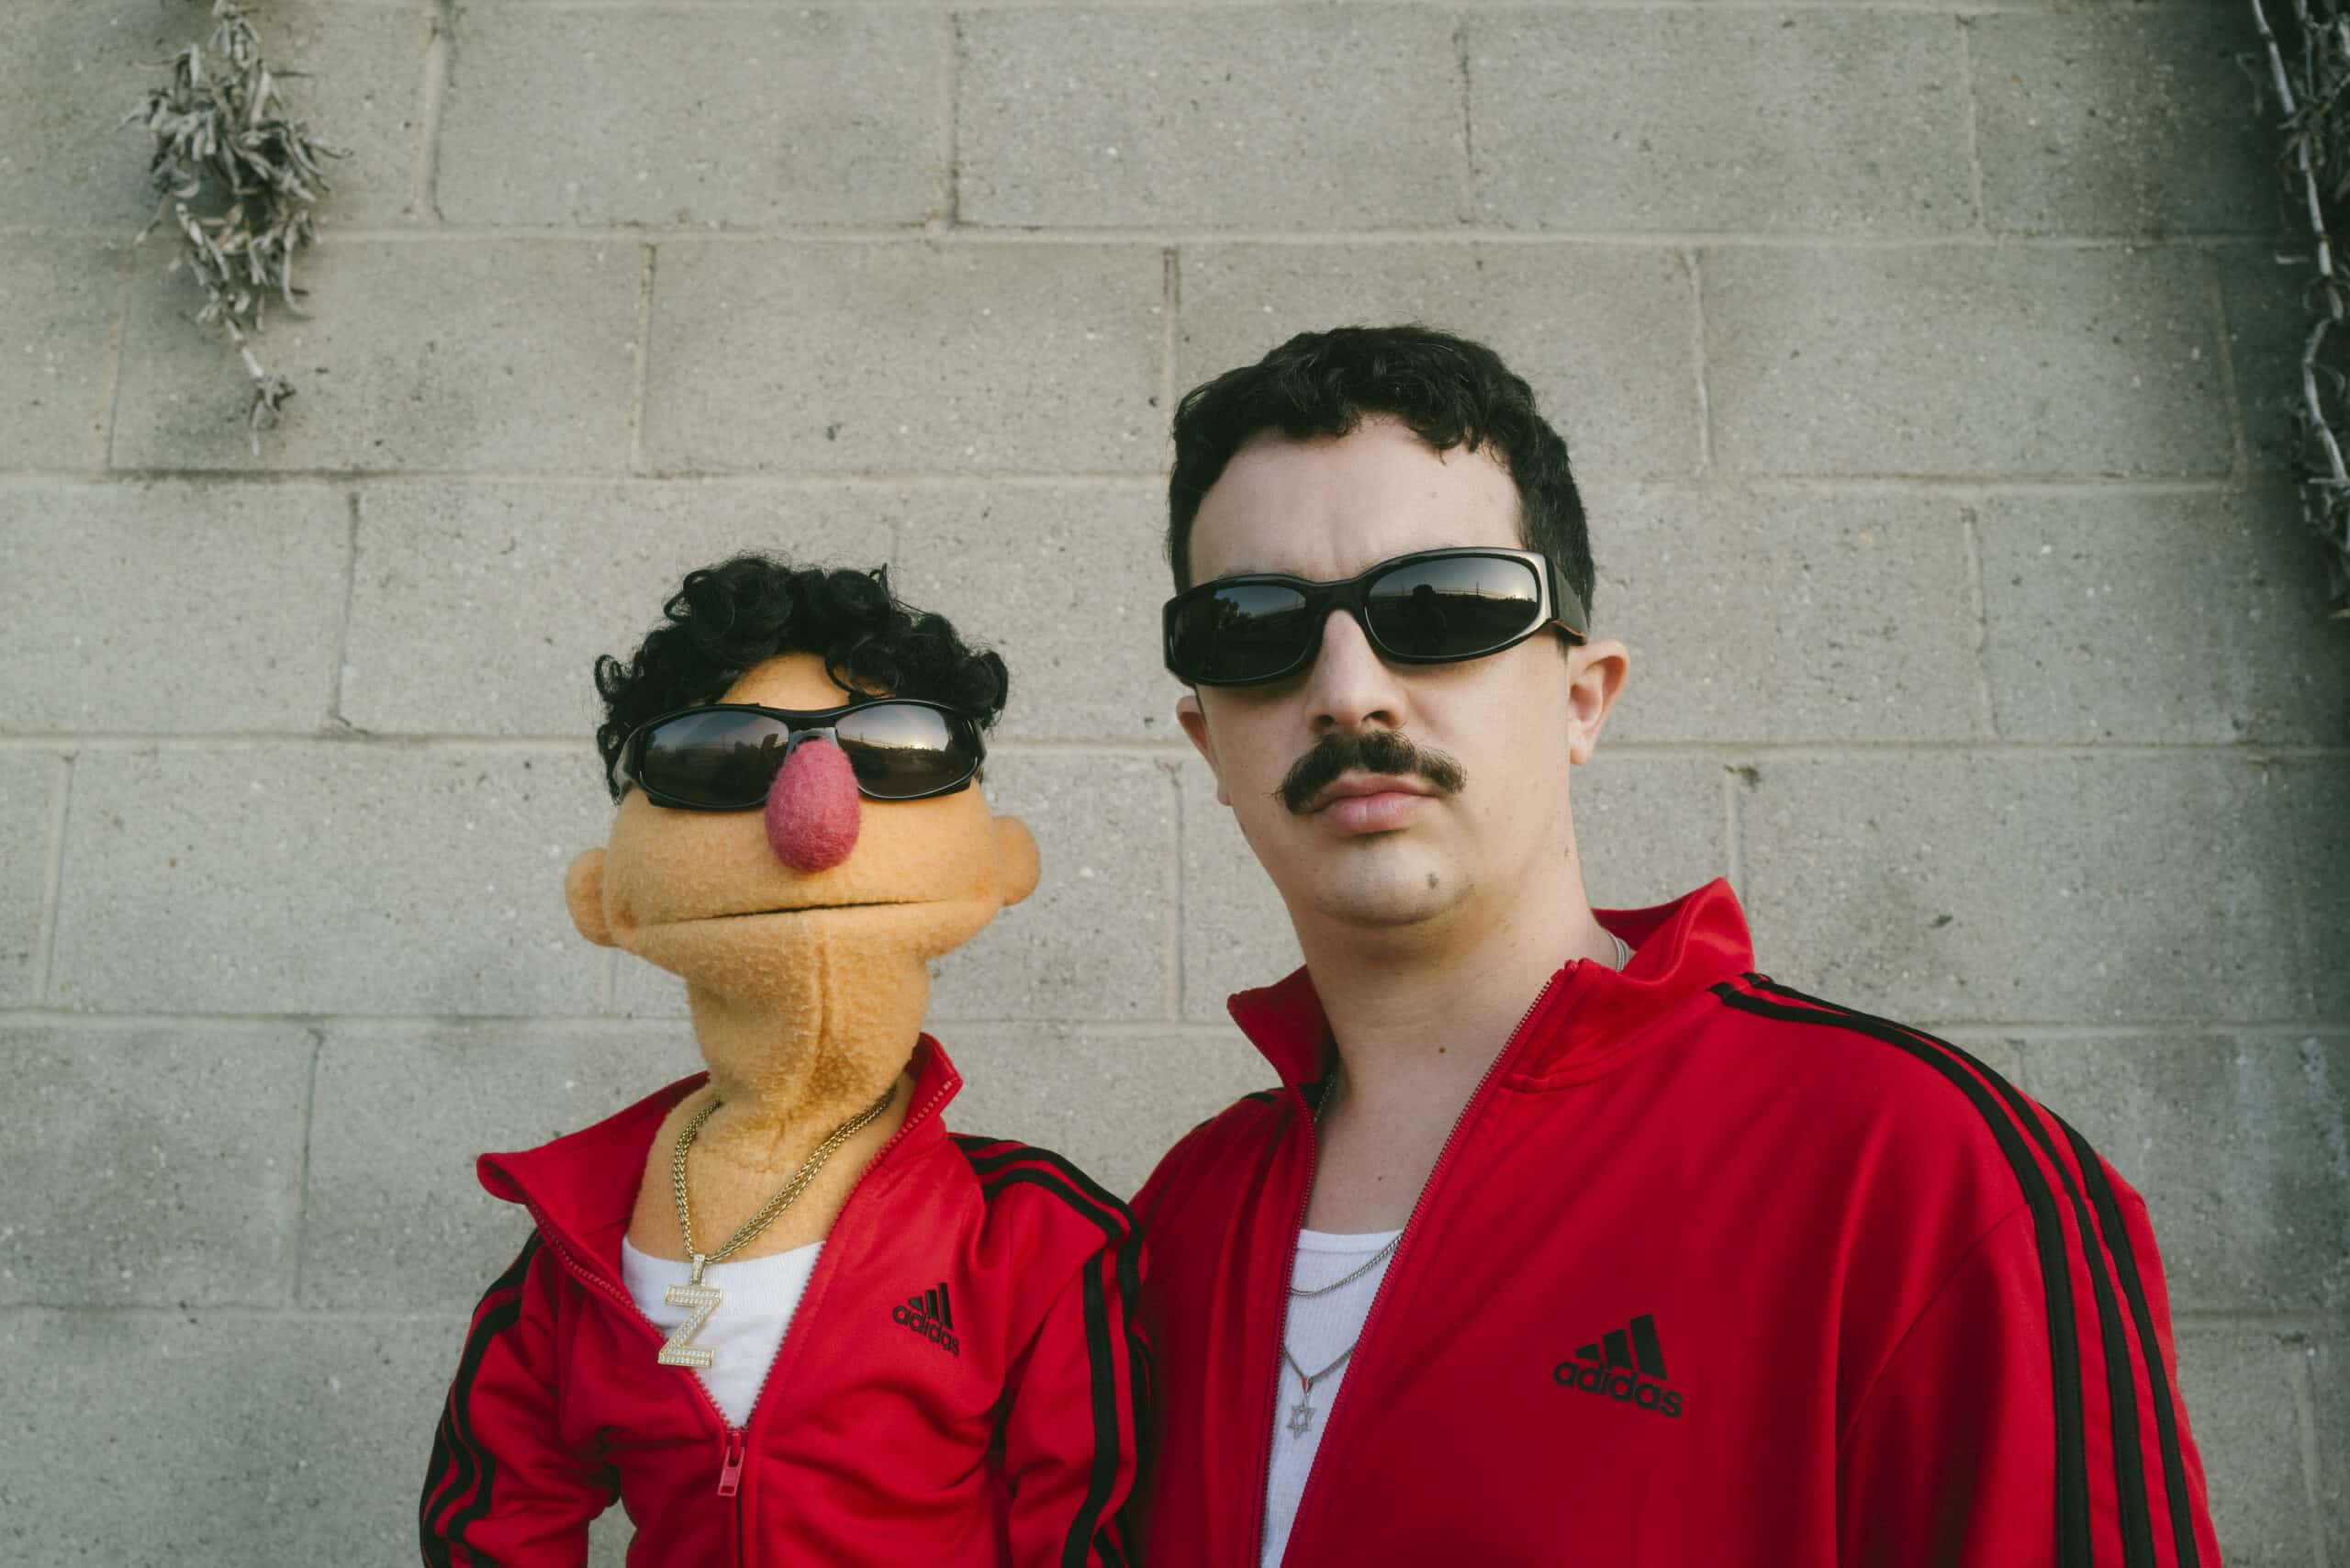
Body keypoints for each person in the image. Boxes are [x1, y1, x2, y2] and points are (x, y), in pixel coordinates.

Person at [1131, 326, 2222, 1566]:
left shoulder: (1922, 1172)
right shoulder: (1176, 1224)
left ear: (1582, 699)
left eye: (1439, 607)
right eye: (1252, 628)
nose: (1347, 690)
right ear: (1210, 744)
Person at [420, 559, 1141, 1565]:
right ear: (605, 894)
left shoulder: (1036, 1237)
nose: (815, 818)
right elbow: (500, 1512)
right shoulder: (577, 1245)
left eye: (894, 750)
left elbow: (1089, 1525)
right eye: (721, 758)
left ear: (1002, 861)